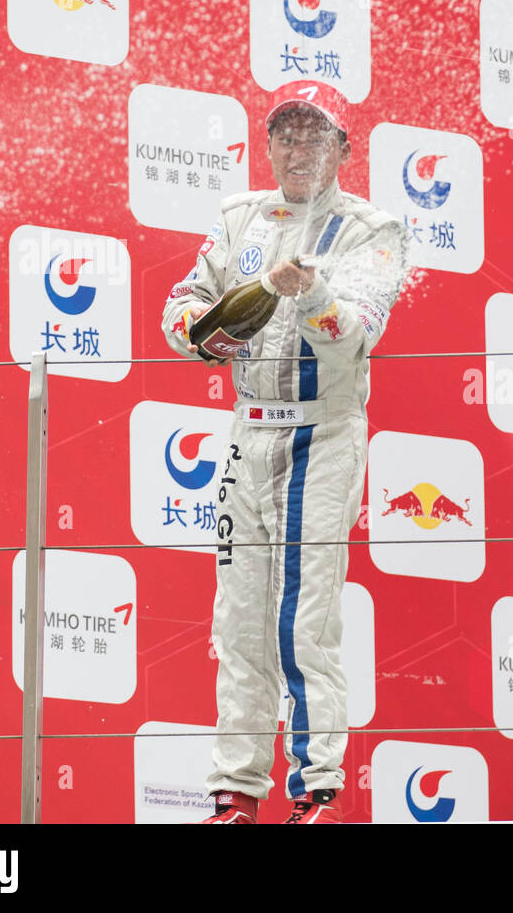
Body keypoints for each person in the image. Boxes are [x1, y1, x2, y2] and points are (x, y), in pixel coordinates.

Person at [162, 79, 409, 824]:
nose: (299, 149)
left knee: (304, 619)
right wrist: (207, 327)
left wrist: (309, 298)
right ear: (267, 145)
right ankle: (235, 793)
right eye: (286, 135)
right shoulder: (240, 217)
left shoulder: (374, 228)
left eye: (315, 136)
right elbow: (181, 315)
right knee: (237, 619)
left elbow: (357, 335)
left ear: (343, 148)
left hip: (322, 434)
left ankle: (319, 792)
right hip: (247, 430)